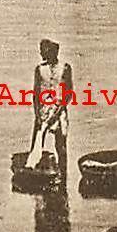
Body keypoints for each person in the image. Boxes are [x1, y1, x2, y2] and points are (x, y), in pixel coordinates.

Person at [32, 39, 73, 181]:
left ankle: (63, 179)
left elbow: (68, 93)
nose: (41, 53)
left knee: (60, 147)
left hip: (59, 112)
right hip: (42, 112)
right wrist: (38, 114)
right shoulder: (40, 69)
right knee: (37, 144)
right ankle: (38, 177)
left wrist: (58, 110)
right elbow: (36, 94)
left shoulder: (65, 68)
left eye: (43, 50)